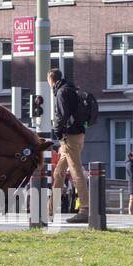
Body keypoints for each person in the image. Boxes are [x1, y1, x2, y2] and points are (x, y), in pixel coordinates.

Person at [48, 67, 88, 224]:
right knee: (59, 173)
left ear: (51, 80)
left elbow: (62, 115)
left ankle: (85, 209)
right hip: (77, 134)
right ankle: (50, 210)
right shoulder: (71, 89)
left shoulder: (61, 92)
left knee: (76, 171)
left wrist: (58, 132)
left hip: (69, 136)